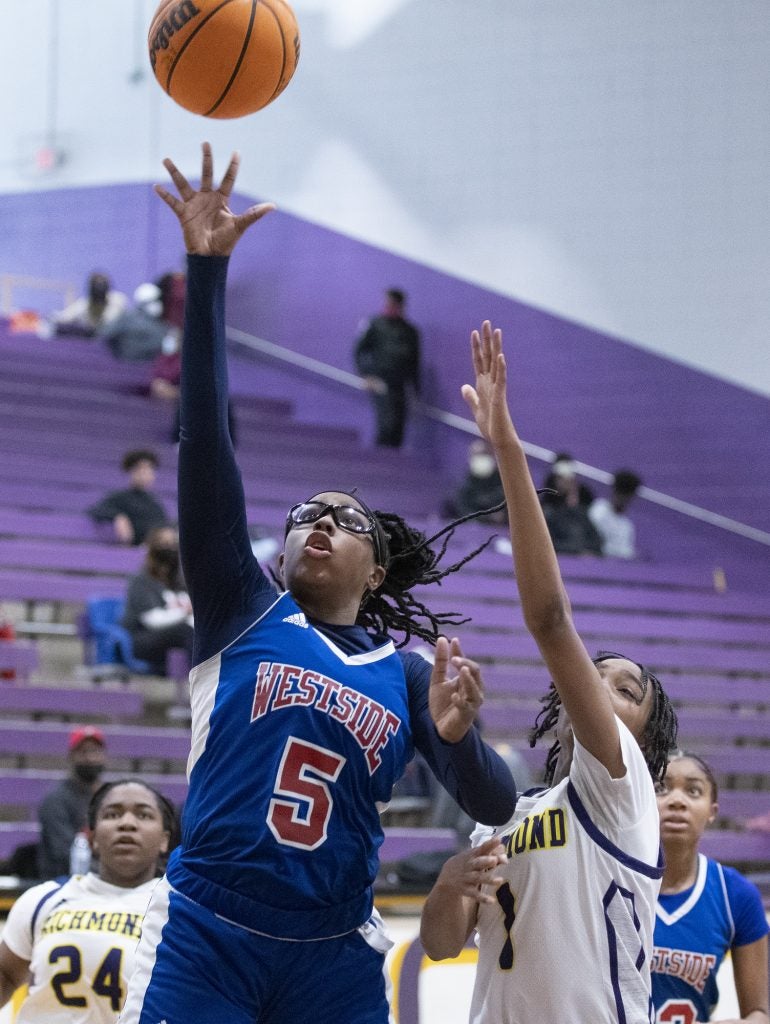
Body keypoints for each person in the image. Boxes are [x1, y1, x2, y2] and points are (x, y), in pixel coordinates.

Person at [118, 143, 518, 1024]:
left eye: (346, 520)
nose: (320, 523)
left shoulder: (408, 676)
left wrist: (459, 736)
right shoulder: (238, 608)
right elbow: (207, 447)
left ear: (375, 570)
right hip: (207, 931)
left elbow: (493, 801)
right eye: (305, 514)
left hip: (332, 952)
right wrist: (207, 272)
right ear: (282, 546)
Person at [420, 321, 679, 1024]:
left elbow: (550, 622)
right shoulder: (509, 810)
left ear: (643, 740)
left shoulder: (623, 789)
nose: (598, 689)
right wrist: (448, 886)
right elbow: (443, 946)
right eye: (596, 678)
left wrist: (507, 446)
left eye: (625, 692)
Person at [0, 779, 174, 1023]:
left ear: (165, 839)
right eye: (112, 814)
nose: (127, 823)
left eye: (143, 815)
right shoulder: (45, 898)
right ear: (91, 837)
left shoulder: (175, 910)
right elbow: (7, 973)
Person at [652, 751, 769, 1024]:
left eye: (693, 791)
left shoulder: (736, 896)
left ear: (712, 811)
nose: (677, 801)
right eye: (661, 788)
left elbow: (759, 1015)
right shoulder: (610, 881)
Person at [36, 726, 107, 880]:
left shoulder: (111, 797)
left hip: (103, 883)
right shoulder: (56, 800)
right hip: (63, 883)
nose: (90, 758)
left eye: (95, 751)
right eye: (83, 752)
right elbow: (63, 852)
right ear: (71, 756)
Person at [354, 286, 421, 447]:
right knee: (386, 424)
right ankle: (379, 464)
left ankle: (392, 467)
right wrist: (366, 375)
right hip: (380, 382)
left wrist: (416, 392)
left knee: (398, 429)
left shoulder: (410, 331)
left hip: (400, 386)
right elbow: (359, 351)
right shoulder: (375, 324)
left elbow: (414, 364)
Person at [122, 526, 194, 675]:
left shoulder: (180, 581)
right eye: (164, 543)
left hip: (174, 636)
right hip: (143, 638)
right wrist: (185, 612)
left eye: (173, 543)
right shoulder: (141, 581)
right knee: (187, 631)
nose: (169, 548)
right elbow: (153, 620)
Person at [87, 448, 169, 545]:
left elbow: (163, 525)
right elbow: (96, 510)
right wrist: (118, 516)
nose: (145, 473)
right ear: (130, 471)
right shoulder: (120, 497)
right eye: (139, 468)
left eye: (150, 469)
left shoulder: (155, 503)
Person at [540, 451, 603, 555]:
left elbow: (597, 542)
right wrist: (577, 551)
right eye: (560, 478)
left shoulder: (583, 510)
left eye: (568, 479)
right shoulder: (548, 511)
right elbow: (548, 543)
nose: (564, 482)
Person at [442, 438, 507, 525]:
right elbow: (465, 514)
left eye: (485, 454)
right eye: (477, 456)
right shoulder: (464, 485)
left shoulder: (505, 483)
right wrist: (489, 517)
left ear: (493, 456)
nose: (481, 459)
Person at [102, 282, 171, 362]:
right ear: (144, 303)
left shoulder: (161, 325)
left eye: (160, 300)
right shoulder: (127, 318)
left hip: (149, 368)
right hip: (126, 365)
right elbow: (105, 333)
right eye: (155, 301)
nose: (159, 304)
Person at [51, 271, 127, 338]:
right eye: (96, 287)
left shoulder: (118, 302)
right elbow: (62, 318)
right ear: (91, 290)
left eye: (102, 286)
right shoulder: (83, 305)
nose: (99, 289)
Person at [589, 469, 643, 559]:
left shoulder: (627, 524)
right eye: (622, 494)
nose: (625, 500)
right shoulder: (598, 511)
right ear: (615, 490)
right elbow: (590, 542)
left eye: (628, 497)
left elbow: (626, 552)